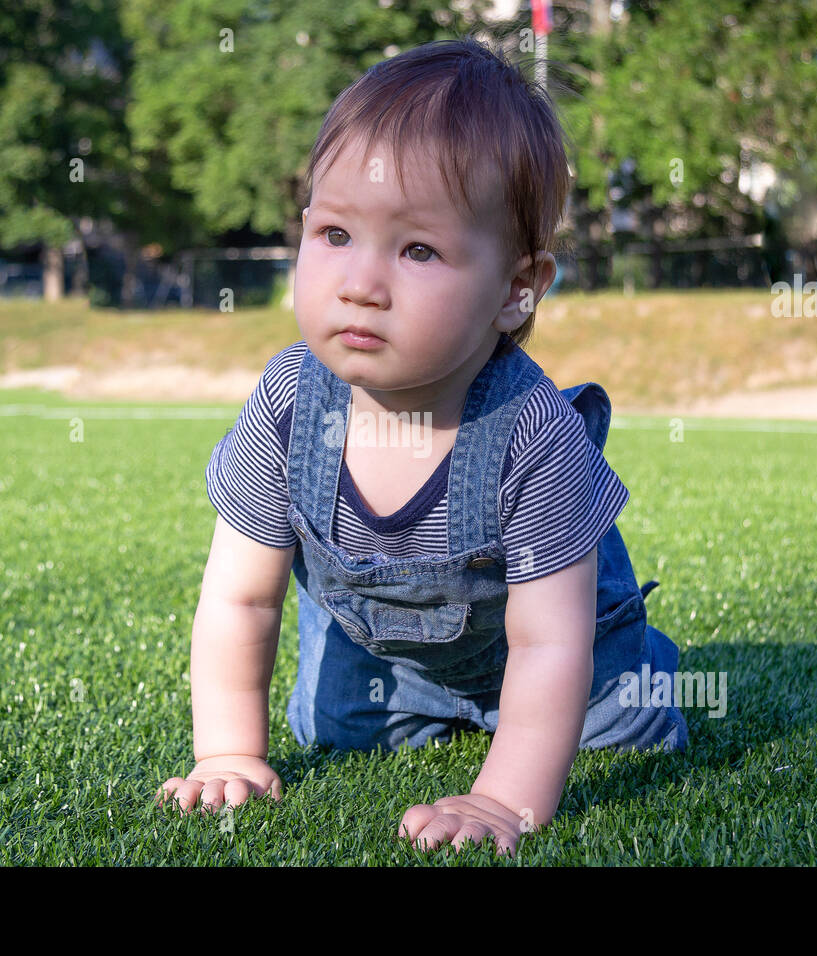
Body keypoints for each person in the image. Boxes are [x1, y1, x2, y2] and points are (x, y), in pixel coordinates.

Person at [158, 37, 686, 856]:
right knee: (326, 724)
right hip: (396, 659)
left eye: (418, 250)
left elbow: (550, 642)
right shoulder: (289, 404)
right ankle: (434, 706)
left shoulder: (532, 434)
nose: (361, 282)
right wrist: (228, 752)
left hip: (555, 649)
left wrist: (503, 802)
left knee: (626, 725)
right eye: (335, 234)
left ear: (517, 289)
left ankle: (639, 662)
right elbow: (241, 598)